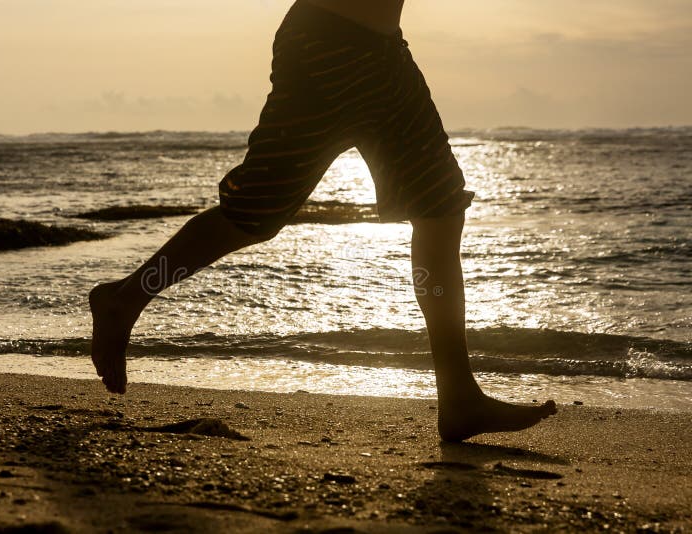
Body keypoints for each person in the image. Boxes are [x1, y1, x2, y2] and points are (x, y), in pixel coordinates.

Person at [90, 0, 557, 442]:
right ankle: (126, 297)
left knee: (439, 207)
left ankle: (458, 397)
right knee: (253, 214)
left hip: (383, 52)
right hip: (328, 49)